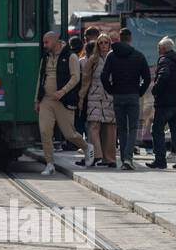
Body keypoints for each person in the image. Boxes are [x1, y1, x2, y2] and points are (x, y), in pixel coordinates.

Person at [35, 31, 89, 176]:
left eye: (47, 42)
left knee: (69, 134)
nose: (44, 45)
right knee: (45, 131)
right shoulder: (45, 58)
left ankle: (86, 147)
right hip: (46, 100)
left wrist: (63, 91)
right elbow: (40, 79)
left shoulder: (70, 56)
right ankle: (49, 163)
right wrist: (37, 99)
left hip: (62, 100)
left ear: (55, 41)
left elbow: (76, 77)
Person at [101, 28, 152, 170]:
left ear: (120, 38)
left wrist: (112, 90)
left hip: (118, 96)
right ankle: (128, 159)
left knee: (122, 128)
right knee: (133, 128)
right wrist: (139, 91)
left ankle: (124, 159)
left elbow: (104, 77)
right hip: (133, 95)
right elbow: (147, 78)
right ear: (130, 39)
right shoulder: (138, 55)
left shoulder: (112, 56)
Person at [79, 33, 117, 167]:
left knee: (110, 128)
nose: (103, 45)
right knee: (93, 126)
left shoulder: (114, 57)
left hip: (110, 96)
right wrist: (82, 96)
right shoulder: (93, 59)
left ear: (109, 43)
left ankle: (110, 159)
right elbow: (86, 79)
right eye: (100, 43)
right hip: (94, 96)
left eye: (106, 42)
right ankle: (97, 155)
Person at [148, 37, 176, 169]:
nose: (157, 50)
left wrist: (155, 89)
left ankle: (160, 160)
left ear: (162, 49)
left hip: (164, 103)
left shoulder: (164, 60)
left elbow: (164, 75)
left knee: (157, 131)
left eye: (158, 47)